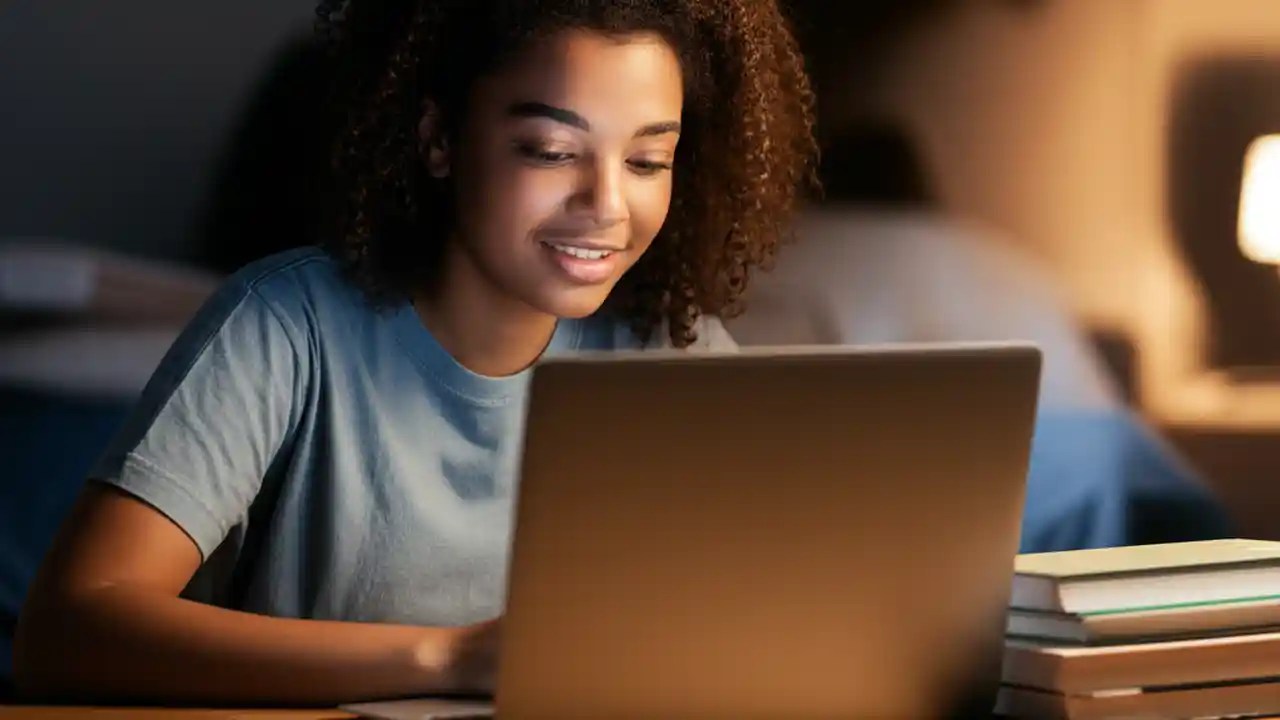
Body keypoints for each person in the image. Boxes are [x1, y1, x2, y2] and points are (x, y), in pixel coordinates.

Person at [15, 0, 816, 705]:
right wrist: (453, 657)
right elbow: (67, 628)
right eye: (550, 150)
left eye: (647, 160)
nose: (607, 205)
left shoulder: (676, 352)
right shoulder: (285, 326)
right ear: (439, 138)